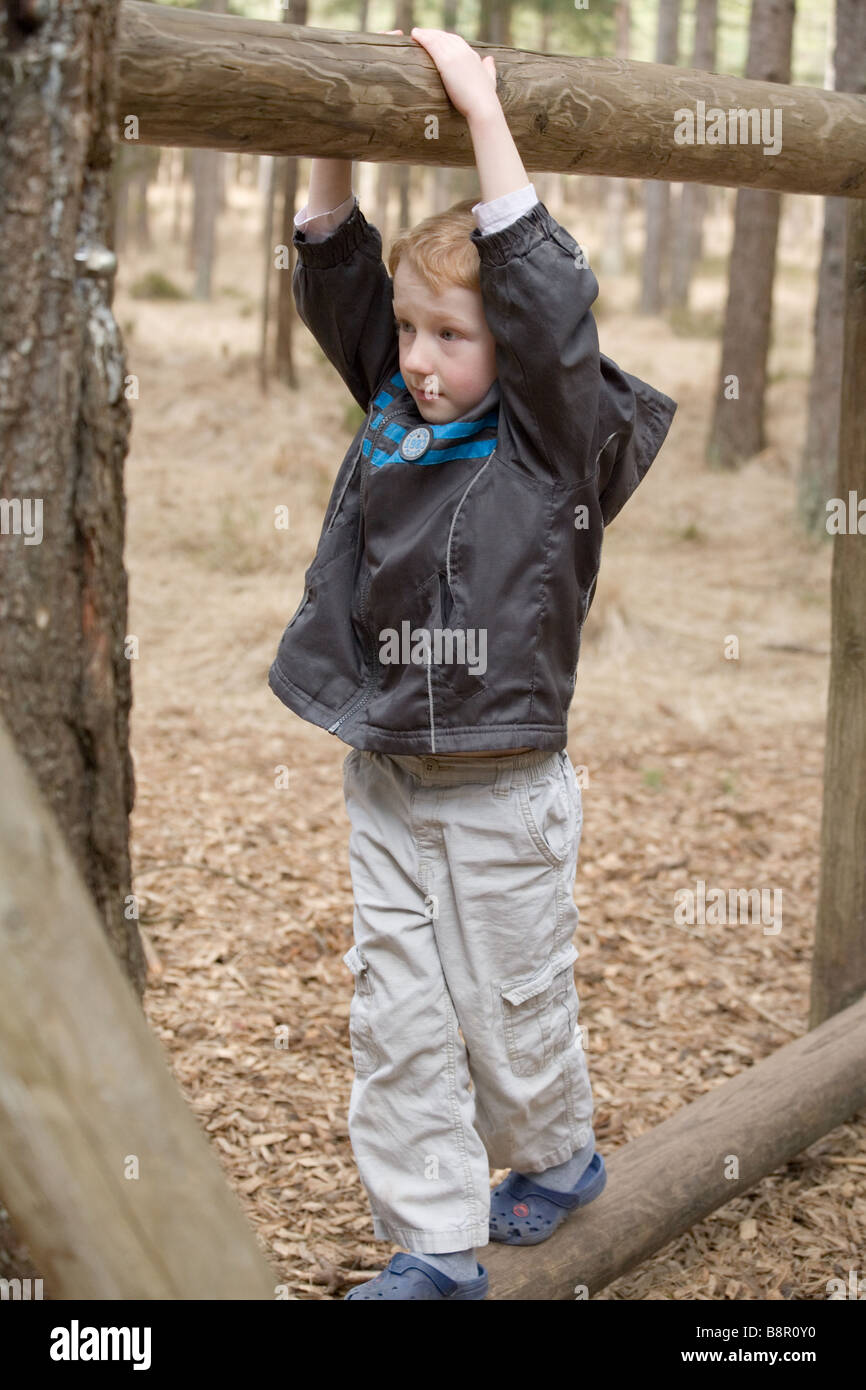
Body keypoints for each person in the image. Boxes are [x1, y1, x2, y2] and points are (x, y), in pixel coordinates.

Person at [269, 28, 677, 1300]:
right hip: (390, 777)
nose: (422, 359)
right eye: (410, 329)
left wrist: (477, 108)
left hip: (503, 792)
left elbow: (547, 303)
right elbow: (334, 262)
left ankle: (554, 1158)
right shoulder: (399, 406)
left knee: (507, 1014)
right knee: (394, 1020)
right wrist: (338, 111)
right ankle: (434, 1245)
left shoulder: (553, 443)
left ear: (510, 344)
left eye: (452, 333)